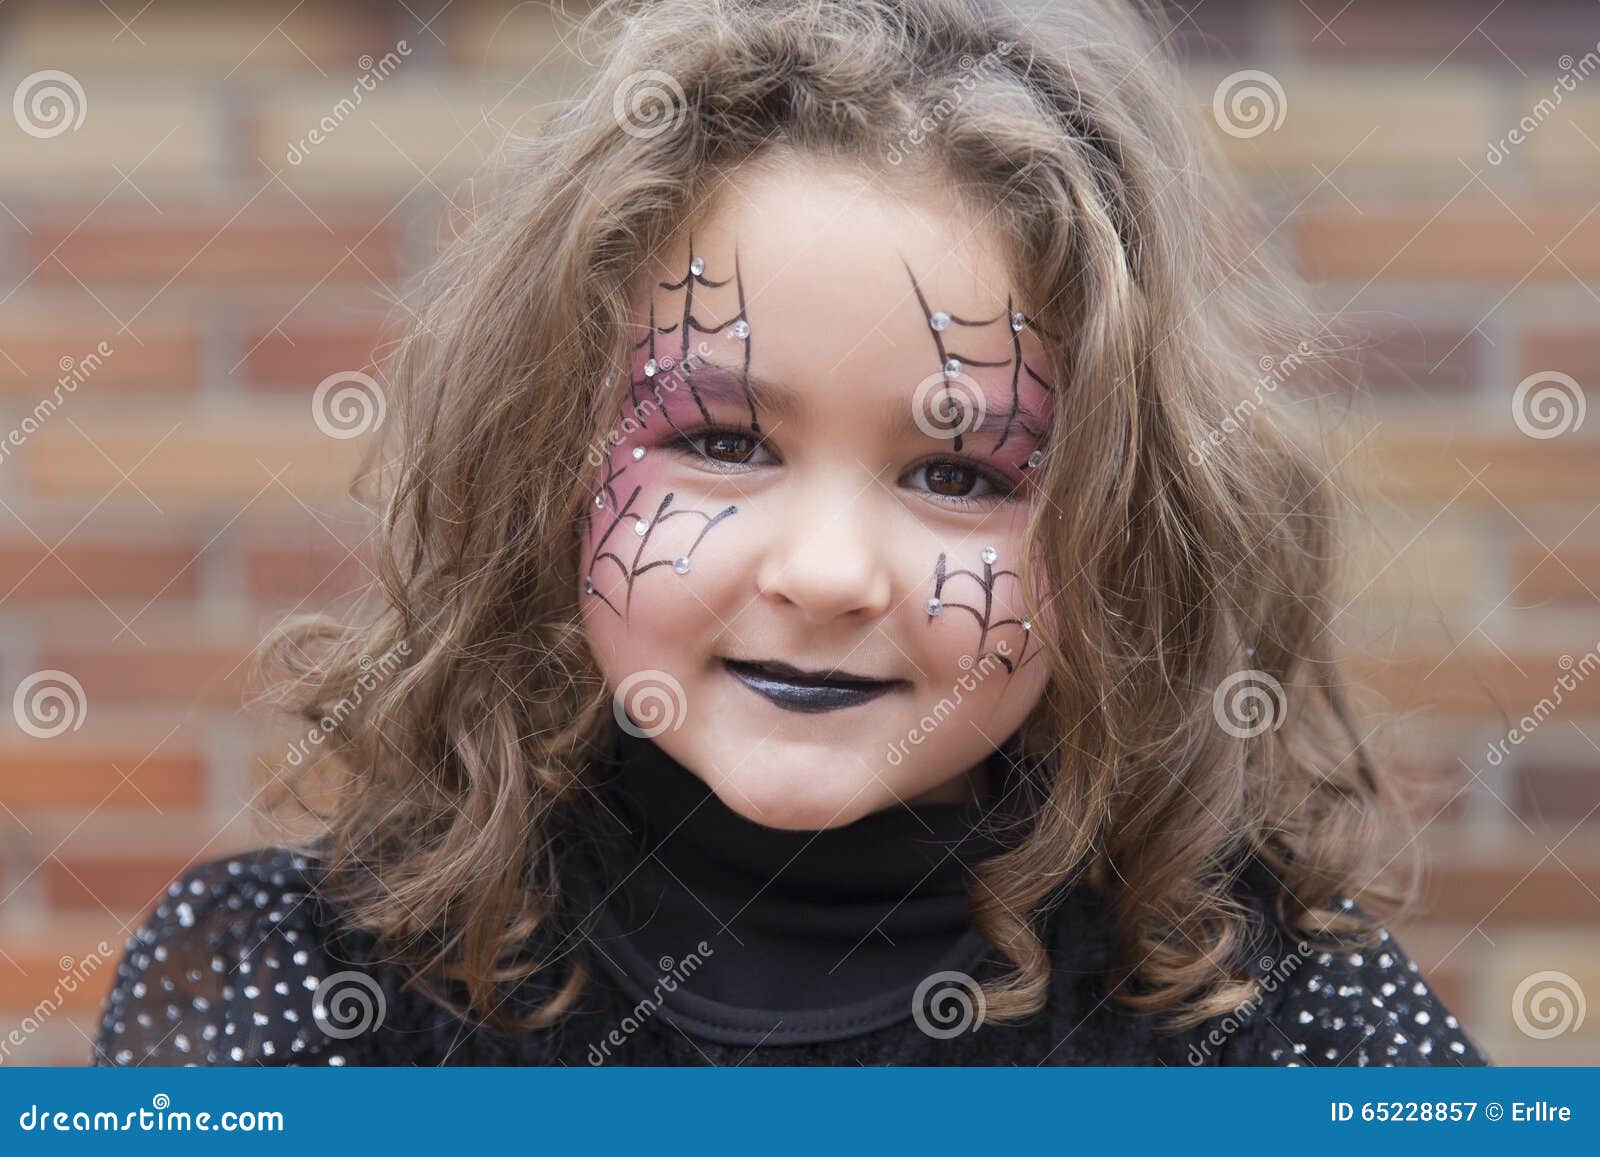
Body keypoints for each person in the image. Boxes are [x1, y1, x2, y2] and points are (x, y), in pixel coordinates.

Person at [92, 0, 1487, 1067]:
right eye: (720, 444)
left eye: (962, 472)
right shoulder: (295, 992)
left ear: (1129, 532)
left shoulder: (1286, 1030)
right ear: (545, 467)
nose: (825, 573)